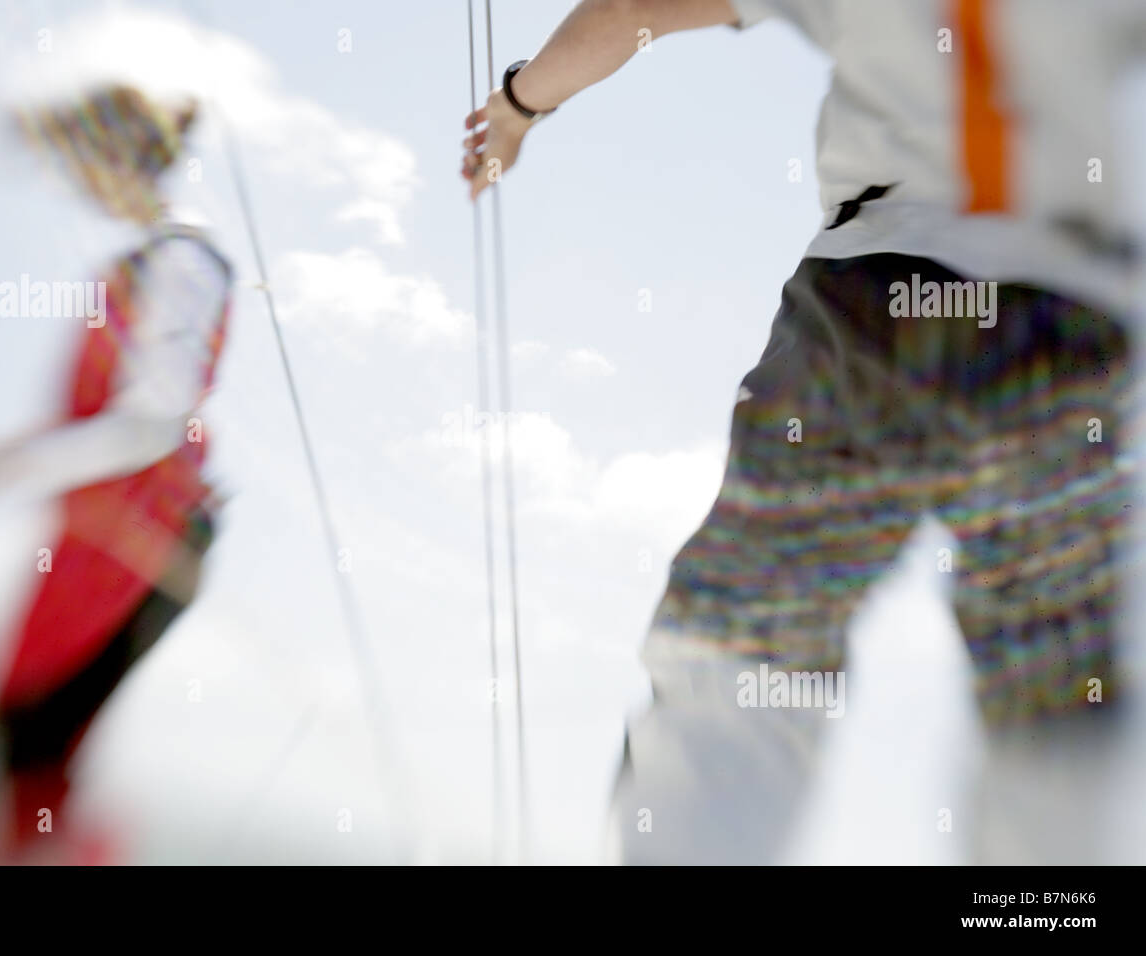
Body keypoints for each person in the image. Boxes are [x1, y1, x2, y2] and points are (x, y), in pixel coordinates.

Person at [462, 0, 1146, 863]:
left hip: (880, 296)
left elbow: (632, 11)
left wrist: (518, 109)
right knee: (1056, 700)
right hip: (1064, 333)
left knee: (754, 637)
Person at [0, 84, 233, 862]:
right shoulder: (148, 256)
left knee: (27, 743)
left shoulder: (184, 257)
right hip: (101, 537)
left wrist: (16, 462)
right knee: (24, 750)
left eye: (78, 165)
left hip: (140, 543)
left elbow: (153, 415)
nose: (76, 186)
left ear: (114, 159)